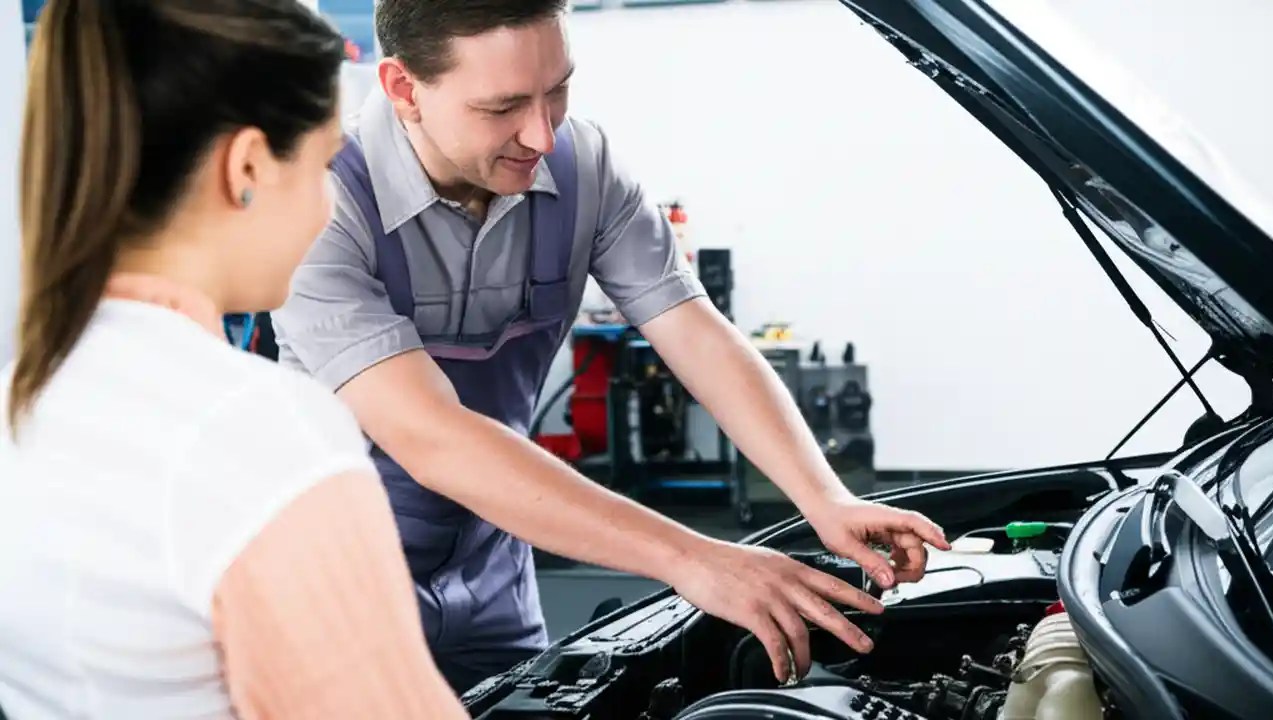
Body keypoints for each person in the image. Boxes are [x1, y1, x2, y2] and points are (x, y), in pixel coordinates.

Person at [271, 0, 951, 694]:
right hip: (336, 585)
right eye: (502, 106)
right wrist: (691, 559)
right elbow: (432, 436)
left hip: (495, 567)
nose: (540, 134)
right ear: (403, 88)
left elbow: (693, 329)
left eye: (557, 89)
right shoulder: (318, 202)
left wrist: (823, 498)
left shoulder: (584, 167)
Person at [0, 1, 467, 718]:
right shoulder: (263, 432)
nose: (324, 209)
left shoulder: (26, 396)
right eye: (322, 166)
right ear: (247, 165)